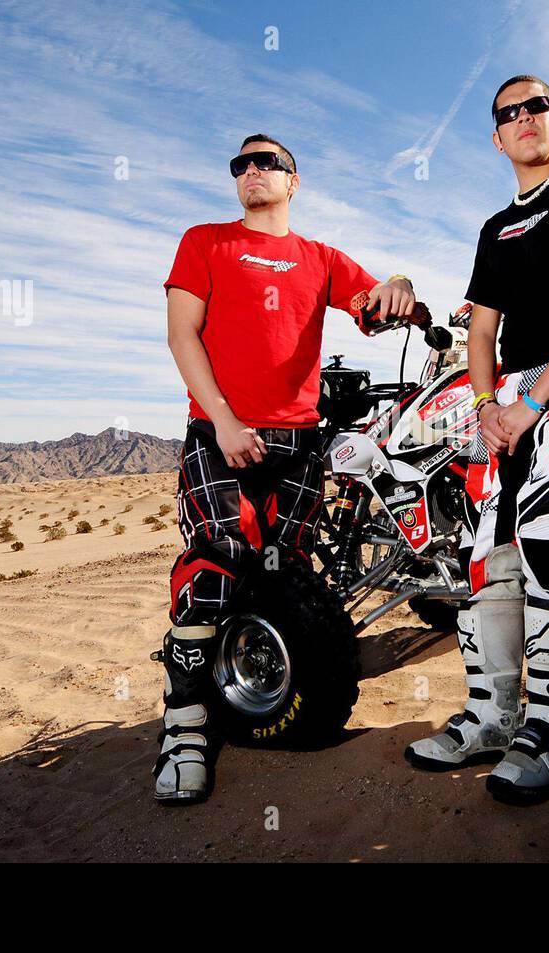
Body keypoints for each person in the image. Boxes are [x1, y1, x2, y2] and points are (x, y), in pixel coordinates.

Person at [156, 134, 418, 804]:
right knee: (215, 561)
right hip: (221, 433)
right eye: (240, 164)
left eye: (265, 161)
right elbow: (182, 334)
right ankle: (184, 725)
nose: (250, 171)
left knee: (286, 576)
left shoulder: (319, 258)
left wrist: (401, 289)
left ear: (293, 181)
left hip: (297, 443)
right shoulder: (205, 242)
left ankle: (266, 693)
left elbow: (376, 298)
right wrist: (222, 419)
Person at [404, 75, 549, 802]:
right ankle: (494, 714)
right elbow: (481, 330)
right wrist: (485, 405)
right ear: (498, 138)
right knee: (486, 556)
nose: (524, 119)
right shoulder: (492, 231)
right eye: (508, 114)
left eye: (536, 106)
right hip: (507, 395)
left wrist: (535, 400)